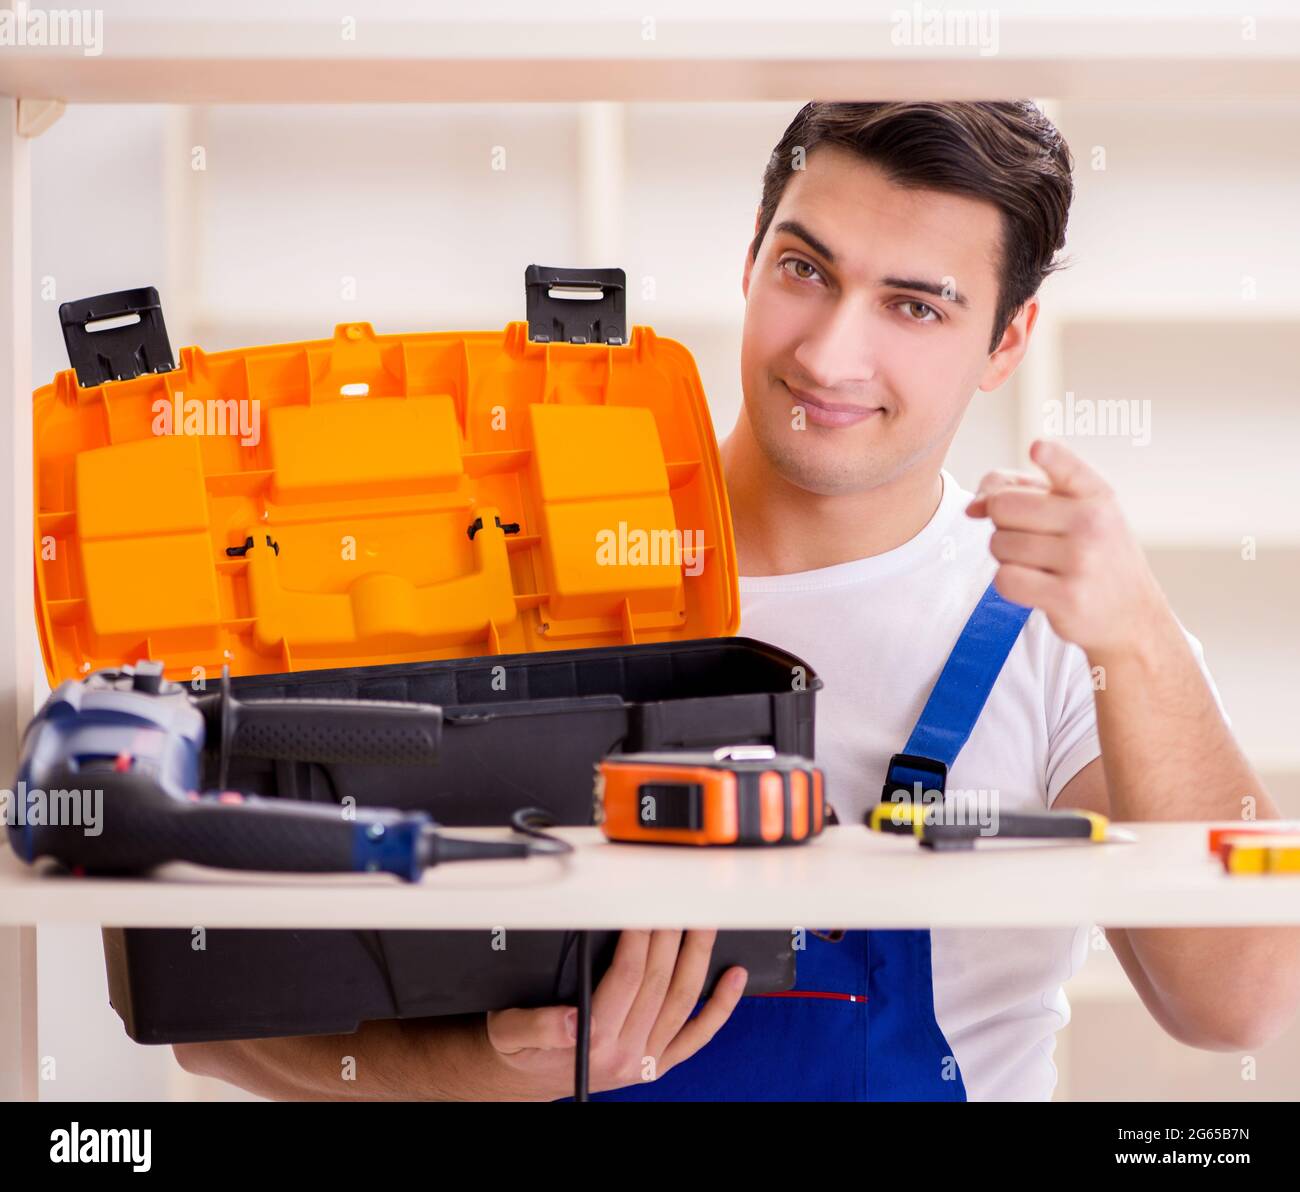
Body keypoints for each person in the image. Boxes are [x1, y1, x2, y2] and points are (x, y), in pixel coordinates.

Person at [175, 100, 1300, 1102]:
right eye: (806, 269)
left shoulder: (1062, 638)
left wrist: (1143, 636)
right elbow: (216, 1022)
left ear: (1005, 341)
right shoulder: (509, 573)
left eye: (914, 307)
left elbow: (1237, 1003)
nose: (828, 353)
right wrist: (467, 1076)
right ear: (750, 256)